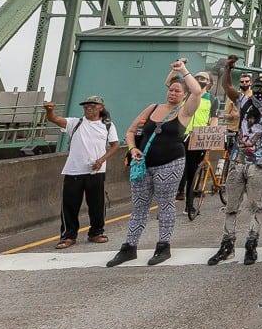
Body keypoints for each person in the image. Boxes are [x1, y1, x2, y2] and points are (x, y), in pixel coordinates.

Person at [107, 60, 203, 267]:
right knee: (139, 206)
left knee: (165, 205)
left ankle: (163, 246)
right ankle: (129, 248)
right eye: (172, 89)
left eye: (178, 91)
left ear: (184, 96)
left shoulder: (184, 112)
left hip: (170, 163)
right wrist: (133, 149)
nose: (173, 93)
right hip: (144, 165)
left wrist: (183, 70)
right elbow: (131, 132)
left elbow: (197, 92)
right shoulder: (152, 108)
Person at [209, 56, 262, 266]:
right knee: (231, 205)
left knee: (255, 206)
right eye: (256, 87)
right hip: (238, 162)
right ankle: (227, 246)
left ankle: (251, 245)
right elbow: (226, 85)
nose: (259, 92)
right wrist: (228, 67)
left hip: (259, 164)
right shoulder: (243, 101)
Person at [45, 96, 120, 249]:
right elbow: (55, 119)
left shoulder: (107, 125)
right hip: (74, 170)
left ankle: (96, 232)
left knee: (97, 204)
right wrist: (49, 110)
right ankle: (68, 236)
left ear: (100, 107)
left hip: (96, 171)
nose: (88, 108)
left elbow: (115, 145)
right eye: (85, 106)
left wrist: (102, 160)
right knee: (70, 205)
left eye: (92, 105)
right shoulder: (75, 123)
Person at [171, 69, 218, 219]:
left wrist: (211, 136)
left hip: (198, 139)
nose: (199, 79)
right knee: (176, 169)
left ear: (209, 83)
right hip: (182, 135)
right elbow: (169, 83)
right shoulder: (187, 95)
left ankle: (189, 205)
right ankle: (174, 199)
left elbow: (214, 119)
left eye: (203, 78)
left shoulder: (212, 99)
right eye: (197, 77)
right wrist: (176, 69)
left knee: (192, 172)